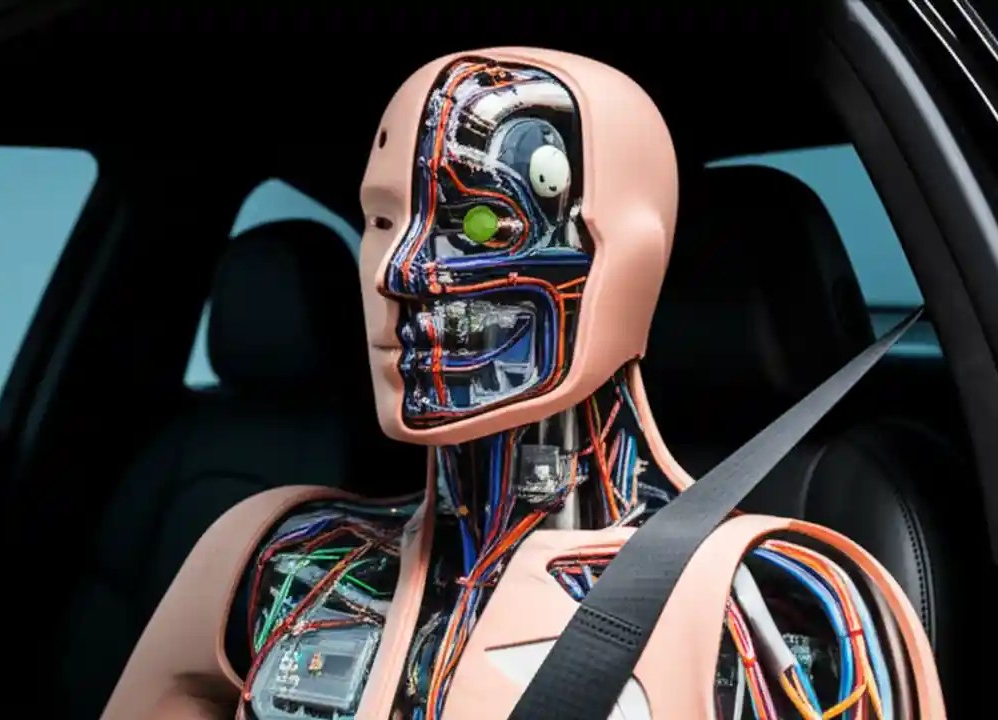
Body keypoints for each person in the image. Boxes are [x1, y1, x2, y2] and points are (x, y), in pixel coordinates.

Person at [101, 47, 945, 720]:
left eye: (476, 223)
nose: (400, 272)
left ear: (621, 257)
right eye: (383, 221)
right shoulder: (274, 558)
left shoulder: (770, 608)